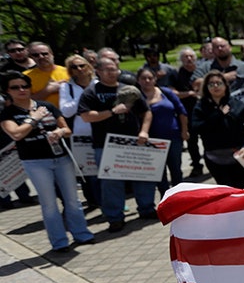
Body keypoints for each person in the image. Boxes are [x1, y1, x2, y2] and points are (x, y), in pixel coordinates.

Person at [0, 72, 95, 252]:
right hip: (35, 162)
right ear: (7, 91)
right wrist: (34, 118)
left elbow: (66, 129)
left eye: (25, 86)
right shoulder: (8, 113)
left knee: (73, 200)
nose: (21, 90)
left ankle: (82, 234)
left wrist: (59, 133)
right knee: (49, 203)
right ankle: (59, 242)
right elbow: (17, 134)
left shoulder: (47, 106)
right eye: (15, 87)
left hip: (61, 158)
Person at [78, 58, 156, 232]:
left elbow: (146, 112)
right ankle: (115, 217)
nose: (111, 73)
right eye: (107, 70)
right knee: (111, 184)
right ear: (97, 71)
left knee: (143, 178)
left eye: (114, 69)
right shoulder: (91, 92)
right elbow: (86, 116)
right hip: (106, 145)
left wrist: (144, 131)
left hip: (134, 143)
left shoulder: (129, 89)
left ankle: (147, 209)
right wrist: (112, 111)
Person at [192, 70, 244, 188]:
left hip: (242, 155)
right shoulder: (200, 107)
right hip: (217, 159)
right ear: (206, 87)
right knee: (230, 193)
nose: (215, 86)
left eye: (219, 83)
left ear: (225, 86)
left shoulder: (236, 104)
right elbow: (197, 128)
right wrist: (218, 115)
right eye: (211, 84)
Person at [57, 54, 100, 210]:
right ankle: (93, 200)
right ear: (70, 70)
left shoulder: (99, 83)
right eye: (75, 67)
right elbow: (66, 111)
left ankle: (108, 201)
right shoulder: (66, 87)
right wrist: (87, 94)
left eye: (82, 65)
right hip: (80, 134)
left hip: (101, 131)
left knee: (104, 170)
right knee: (87, 171)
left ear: (89, 66)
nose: (80, 69)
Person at [137, 67, 187, 196]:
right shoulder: (137, 97)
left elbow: (181, 111)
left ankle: (180, 197)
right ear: (138, 80)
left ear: (155, 79)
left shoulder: (166, 92)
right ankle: (165, 197)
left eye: (150, 78)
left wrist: (184, 131)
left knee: (176, 169)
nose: (147, 81)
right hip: (152, 140)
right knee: (159, 173)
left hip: (173, 136)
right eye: (143, 78)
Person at [170, 48, 203, 177]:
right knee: (191, 141)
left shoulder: (202, 70)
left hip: (204, 111)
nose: (189, 59)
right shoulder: (176, 74)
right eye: (185, 57)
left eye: (191, 56)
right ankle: (196, 165)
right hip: (187, 113)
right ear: (181, 59)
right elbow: (173, 93)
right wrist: (189, 93)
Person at [23, 42, 68, 107]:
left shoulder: (68, 71)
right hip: (43, 115)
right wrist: (48, 90)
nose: (41, 57)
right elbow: (24, 101)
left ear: (52, 54)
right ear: (31, 57)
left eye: (45, 54)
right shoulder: (25, 76)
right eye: (36, 55)